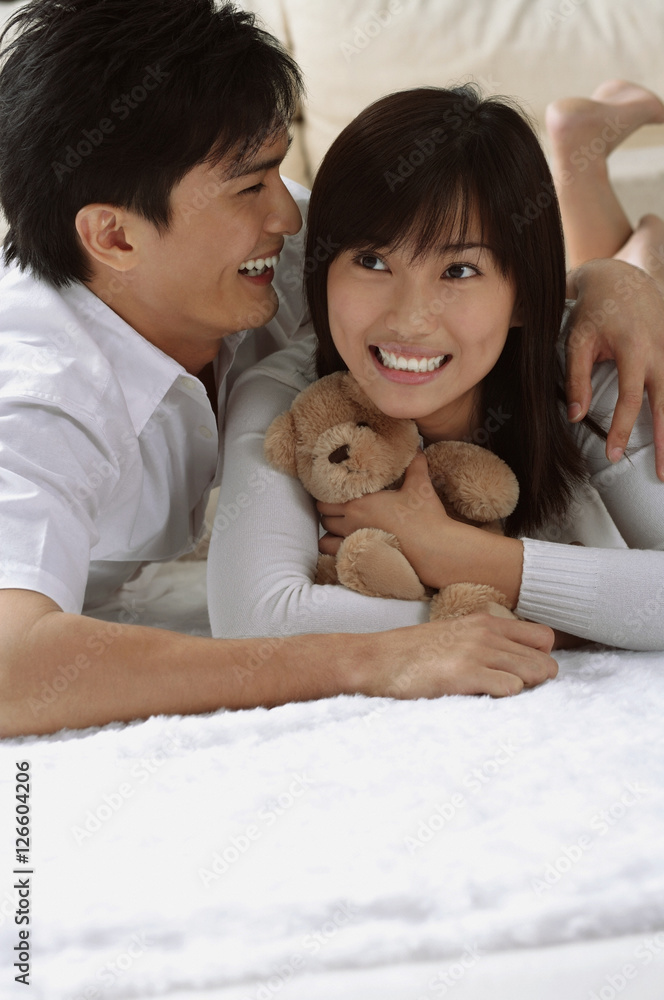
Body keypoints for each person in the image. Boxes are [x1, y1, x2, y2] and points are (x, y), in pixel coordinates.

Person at [0, 0, 658, 741]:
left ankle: (596, 178)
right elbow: (10, 670)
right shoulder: (32, 395)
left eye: (280, 171)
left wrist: (611, 282)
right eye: (251, 186)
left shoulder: (263, 251)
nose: (288, 216)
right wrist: (372, 658)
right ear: (115, 236)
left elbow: (467, 263)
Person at [209, 82, 664, 653]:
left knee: (640, 273)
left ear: (524, 296)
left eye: (459, 271)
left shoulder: (591, 370)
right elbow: (254, 622)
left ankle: (595, 185)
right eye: (372, 260)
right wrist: (587, 620)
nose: (410, 321)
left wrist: (457, 554)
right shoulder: (284, 394)